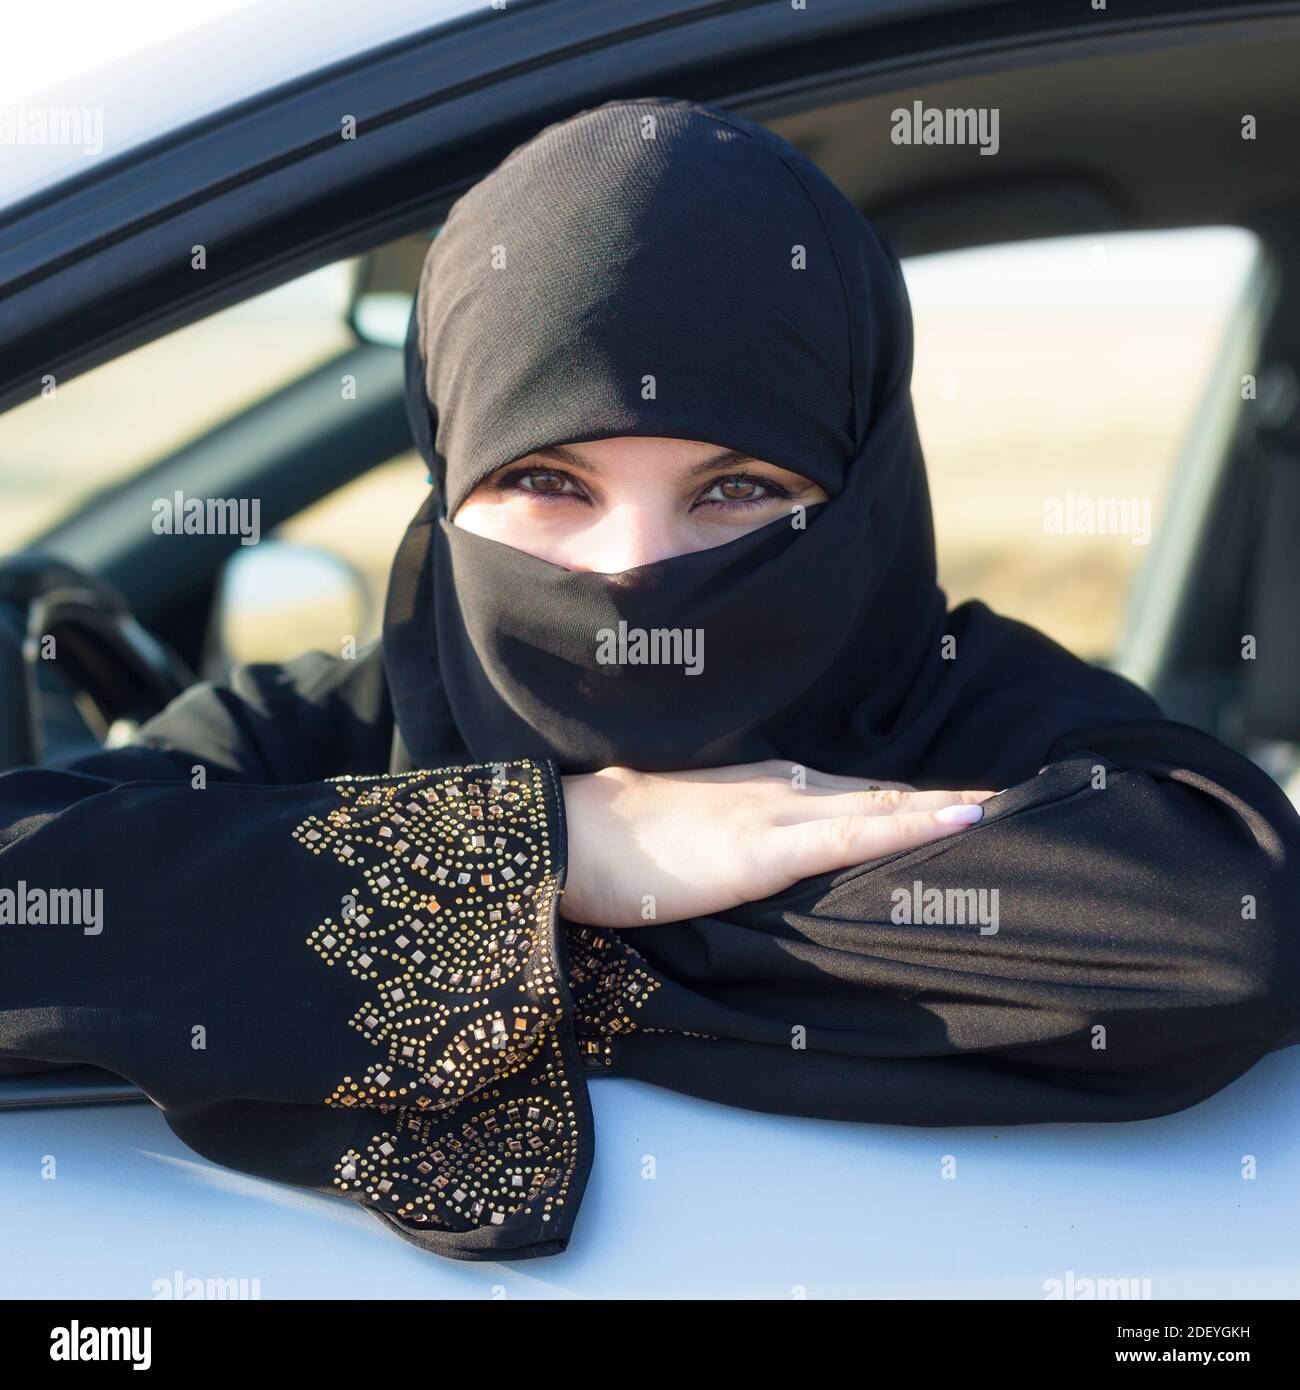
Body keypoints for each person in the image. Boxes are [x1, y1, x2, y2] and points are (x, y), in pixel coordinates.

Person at [2, 98, 1297, 1262]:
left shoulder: (955, 705)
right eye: (547, 482)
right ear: (449, 477)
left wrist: (449, 943)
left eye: (738, 489)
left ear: (861, 495)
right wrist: (548, 852)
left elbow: (1221, 926)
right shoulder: (329, 726)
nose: (637, 576)